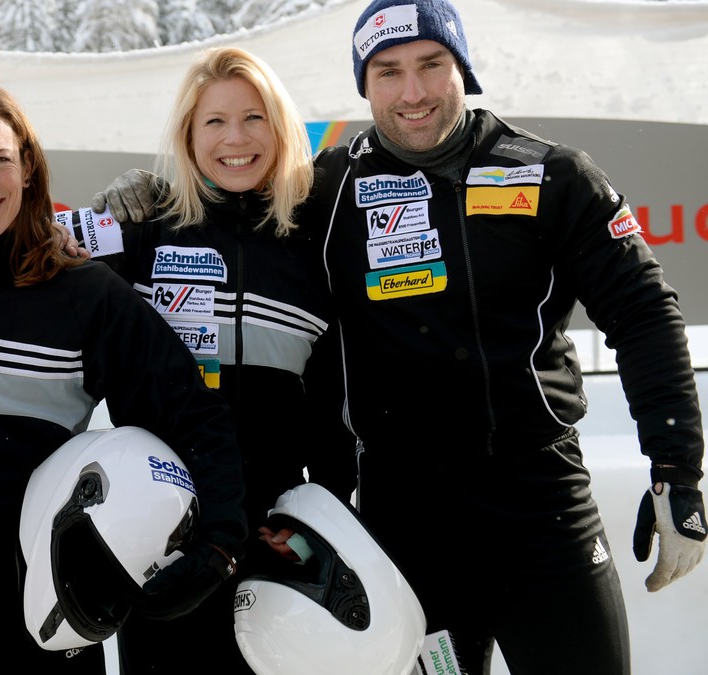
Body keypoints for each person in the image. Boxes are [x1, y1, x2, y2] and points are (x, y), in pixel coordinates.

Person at [94, 1, 706, 673]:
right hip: (407, 532)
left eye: (430, 66)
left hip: (543, 513)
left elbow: (644, 310)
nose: (411, 92)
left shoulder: (552, 177)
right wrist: (142, 197)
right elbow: (231, 199)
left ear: (461, 69)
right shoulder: (326, 192)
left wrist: (676, 466)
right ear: (365, 83)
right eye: (388, 72)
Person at [0, 82, 247, 675]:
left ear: (30, 170)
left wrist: (219, 543)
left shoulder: (80, 291)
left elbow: (187, 408)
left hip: (49, 622)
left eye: (0, 160)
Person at [100, 47, 348, 675]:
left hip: (274, 541)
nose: (234, 139)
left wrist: (316, 521)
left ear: (281, 127)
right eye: (213, 122)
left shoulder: (313, 243)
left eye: (253, 117)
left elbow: (332, 411)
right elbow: (9, 236)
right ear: (187, 135)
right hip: (161, 539)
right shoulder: (144, 229)